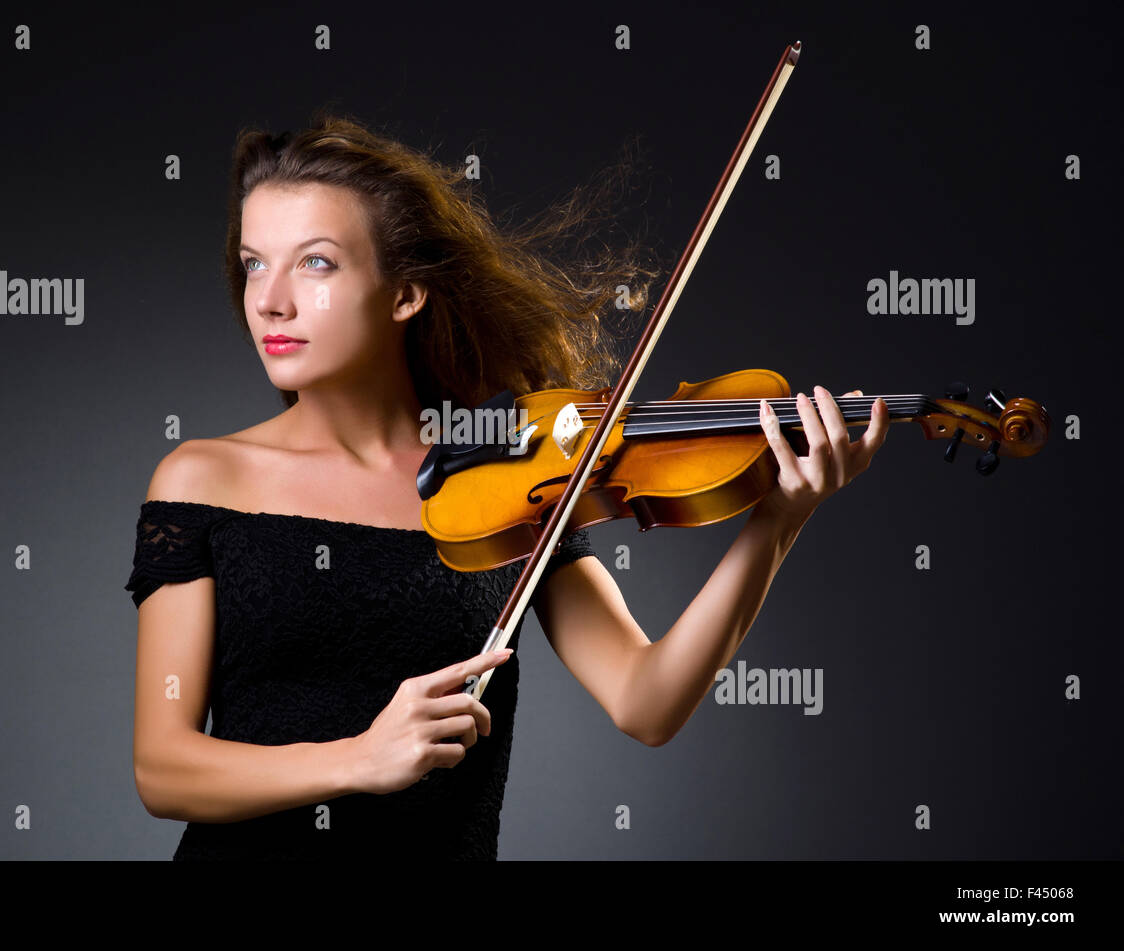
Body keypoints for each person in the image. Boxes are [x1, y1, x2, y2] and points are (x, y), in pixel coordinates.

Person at [124, 114, 889, 860]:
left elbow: (646, 700)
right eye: (256, 262)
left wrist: (782, 516)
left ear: (405, 294)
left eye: (315, 262)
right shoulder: (203, 479)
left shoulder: (506, 472)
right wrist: (360, 757)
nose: (270, 299)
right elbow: (163, 769)